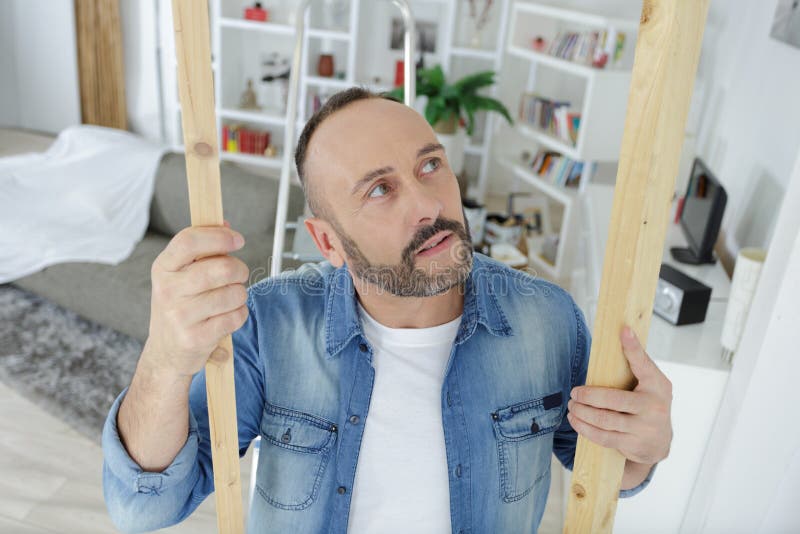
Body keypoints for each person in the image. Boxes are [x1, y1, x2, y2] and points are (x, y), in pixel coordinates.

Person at [102, 88, 672, 533]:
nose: (430, 205)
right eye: (379, 189)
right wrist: (165, 360)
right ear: (327, 243)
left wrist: (644, 450)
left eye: (430, 166)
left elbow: (606, 471)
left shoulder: (547, 321)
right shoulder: (271, 326)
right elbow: (144, 507)